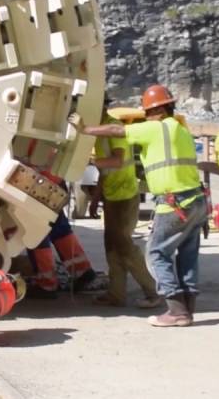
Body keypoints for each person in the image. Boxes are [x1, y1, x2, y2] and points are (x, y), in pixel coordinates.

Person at [78, 84, 207, 327]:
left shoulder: (156, 128)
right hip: (196, 200)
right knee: (187, 256)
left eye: (147, 112)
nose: (146, 116)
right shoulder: (180, 130)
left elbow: (118, 131)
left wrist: (84, 129)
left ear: (157, 110)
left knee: (157, 253)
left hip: (174, 202)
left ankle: (174, 309)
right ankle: (186, 309)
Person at [91, 97, 162, 309]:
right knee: (112, 246)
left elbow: (117, 160)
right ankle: (116, 294)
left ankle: (152, 291)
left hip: (124, 195)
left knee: (124, 246)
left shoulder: (114, 128)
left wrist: (89, 161)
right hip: (112, 195)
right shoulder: (100, 131)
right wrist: (96, 197)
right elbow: (105, 170)